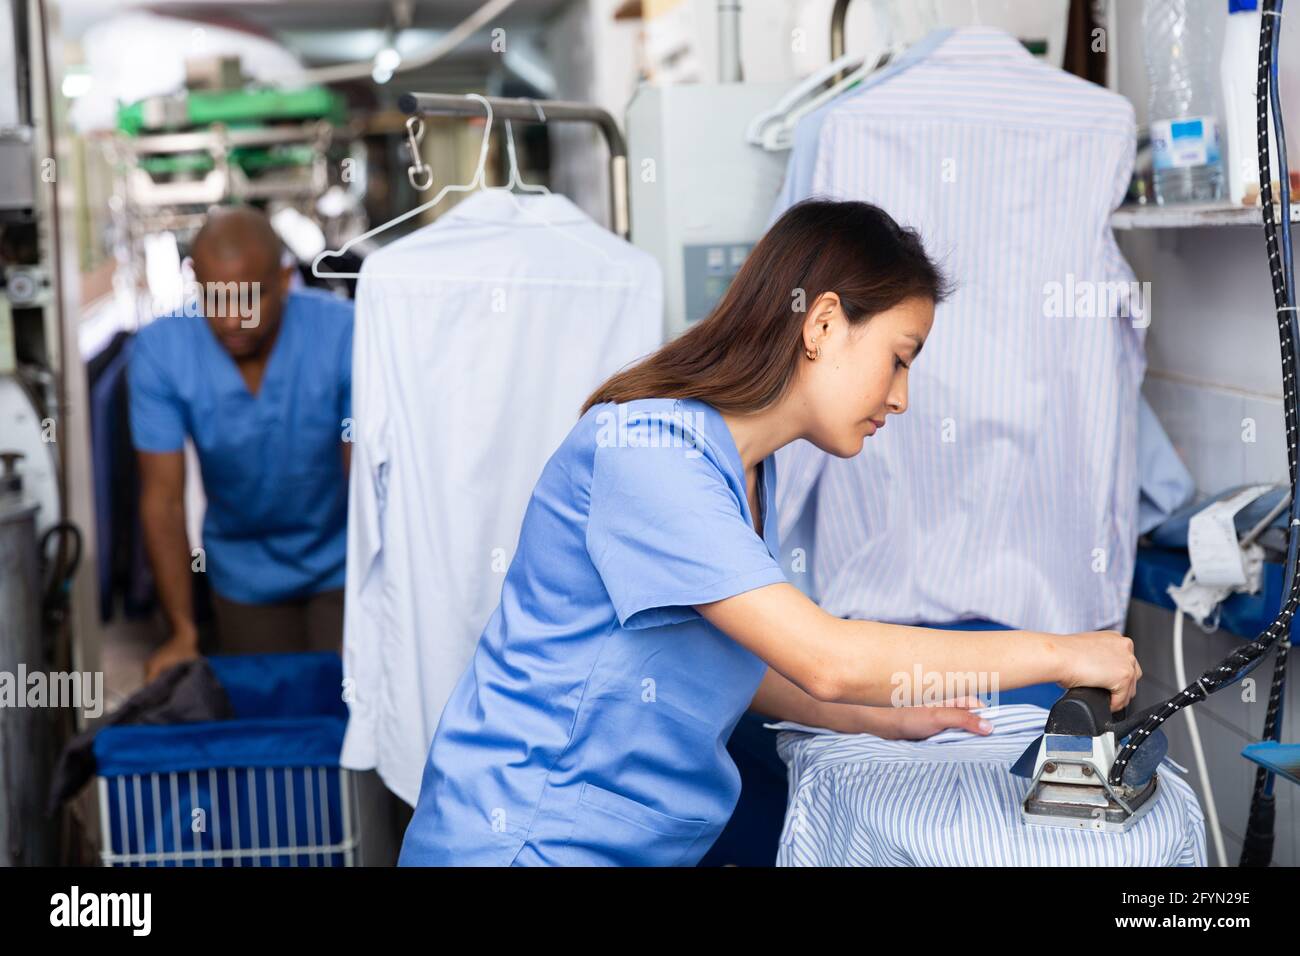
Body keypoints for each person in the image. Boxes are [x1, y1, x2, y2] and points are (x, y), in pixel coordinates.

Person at [397, 198, 1143, 867]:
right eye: (899, 358)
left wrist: (883, 717)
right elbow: (825, 658)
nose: (902, 397)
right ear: (821, 324)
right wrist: (1063, 650)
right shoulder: (647, 454)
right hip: (522, 840)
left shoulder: (750, 473)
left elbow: (722, 656)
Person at [129, 206, 354, 680]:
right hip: (243, 575)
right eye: (215, 298)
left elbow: (370, 477)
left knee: (351, 715)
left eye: (250, 296)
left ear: (286, 278)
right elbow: (164, 501)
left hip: (345, 564)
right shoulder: (160, 351)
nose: (232, 319)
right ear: (194, 279)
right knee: (274, 719)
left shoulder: (343, 333)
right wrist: (183, 631)